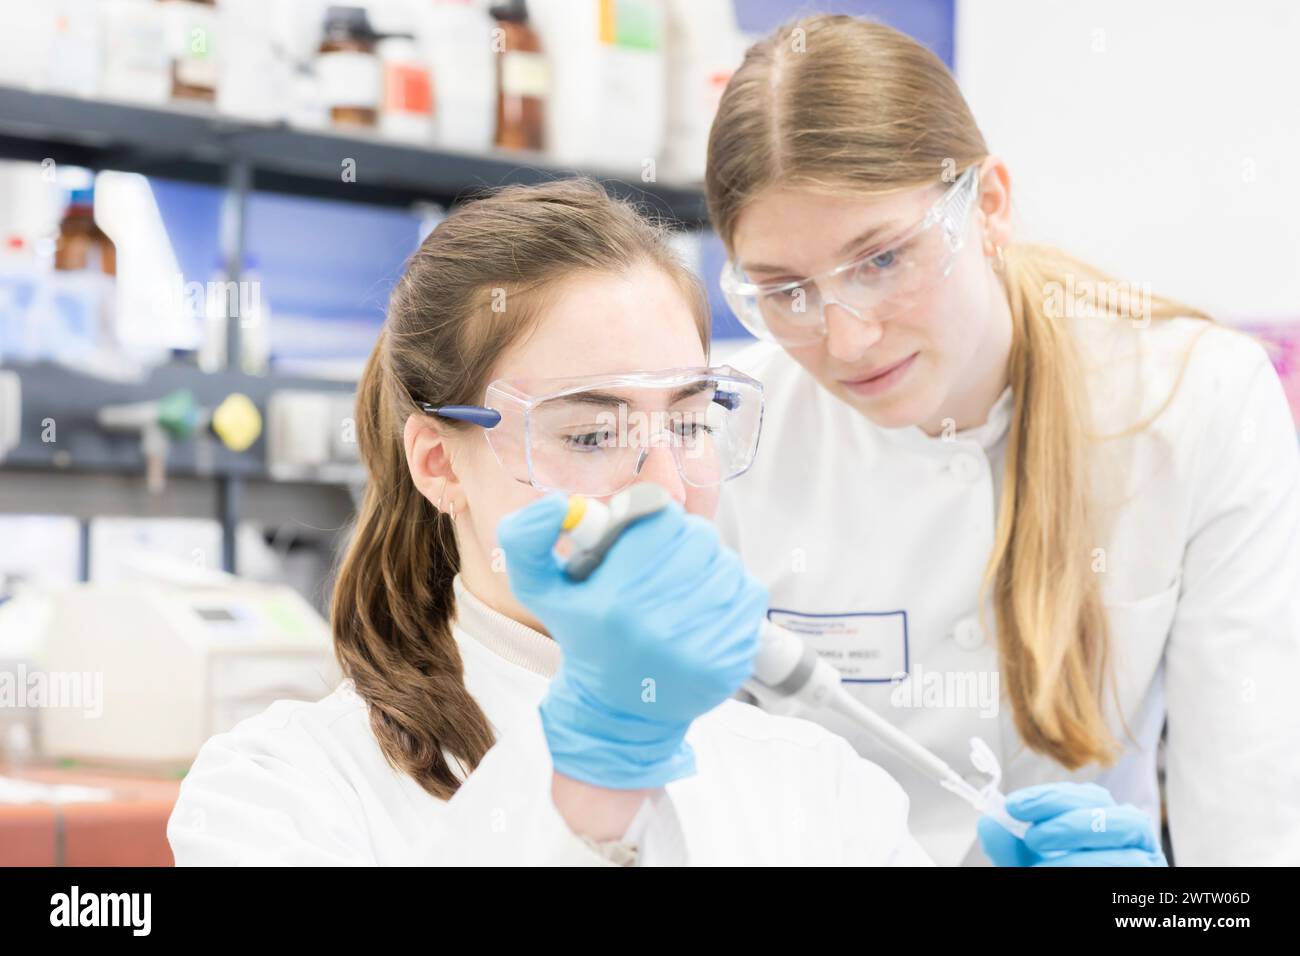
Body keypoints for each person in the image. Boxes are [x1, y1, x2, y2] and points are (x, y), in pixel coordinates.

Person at [167, 179, 933, 866]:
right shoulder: (282, 793)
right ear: (437, 463)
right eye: (593, 436)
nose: (666, 489)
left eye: (692, 423)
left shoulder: (818, 784)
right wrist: (592, 768)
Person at [703, 14, 1300, 865]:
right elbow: (706, 812)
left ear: (988, 207)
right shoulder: (726, 433)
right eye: (786, 290)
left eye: (881, 260)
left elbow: (1250, 838)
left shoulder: (1197, 403)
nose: (845, 340)